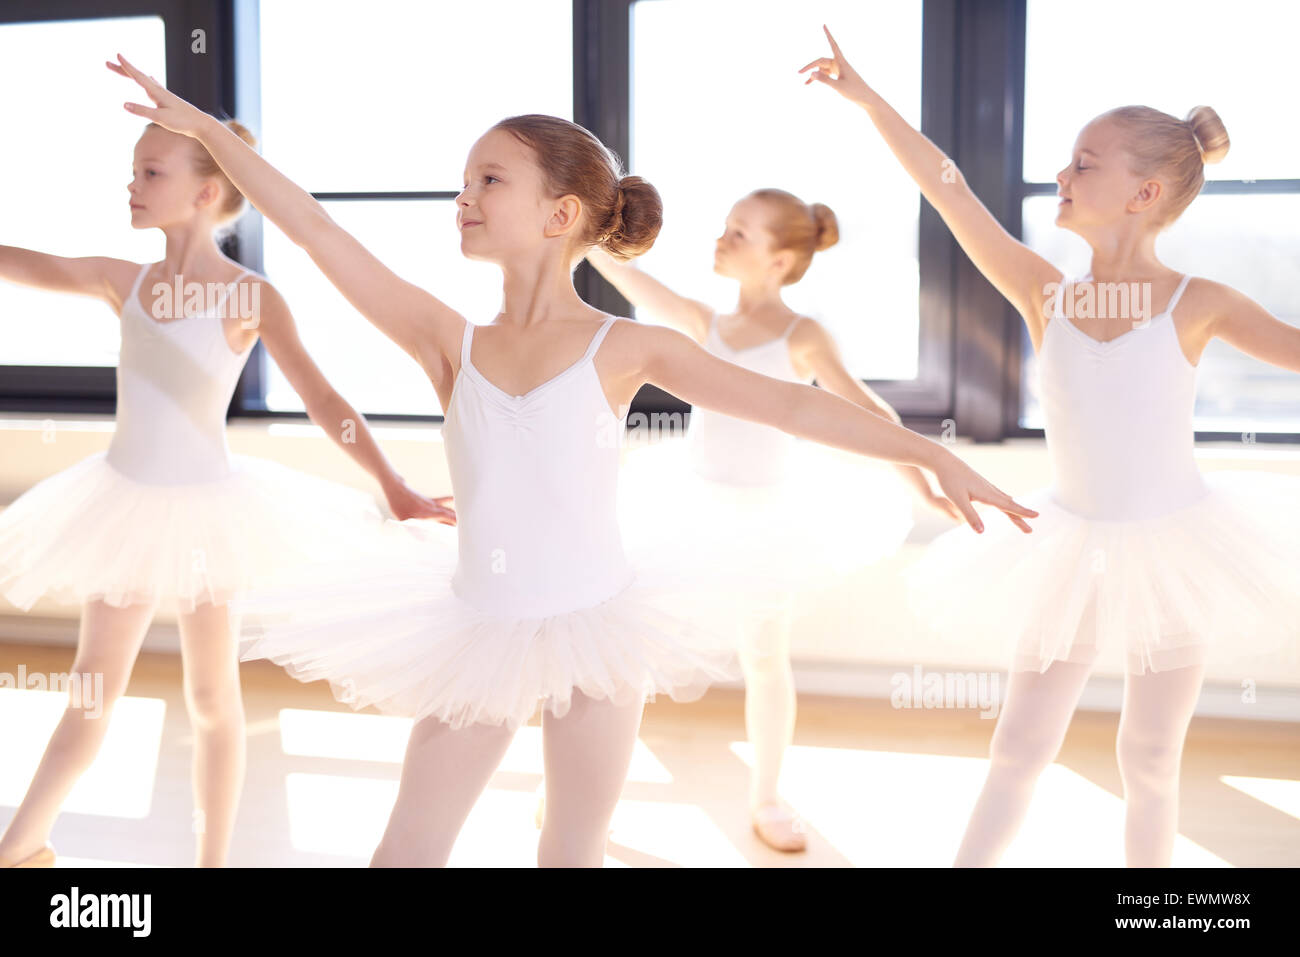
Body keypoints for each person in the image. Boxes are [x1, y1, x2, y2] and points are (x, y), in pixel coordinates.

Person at [107, 52, 1038, 867]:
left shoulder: (623, 347)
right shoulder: (446, 341)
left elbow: (790, 403)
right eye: (463, 180)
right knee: (403, 852)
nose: (463, 197)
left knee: (571, 849)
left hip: (599, 625)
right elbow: (316, 229)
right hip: (479, 621)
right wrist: (204, 130)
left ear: (559, 213)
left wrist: (926, 451)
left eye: (489, 180)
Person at [799, 24, 1300, 866]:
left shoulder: (1200, 301)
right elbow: (950, 192)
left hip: (1176, 546)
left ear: (1144, 193)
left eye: (1084, 164)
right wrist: (867, 99)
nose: (1062, 176)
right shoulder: (1045, 294)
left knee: (1150, 756)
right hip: (1067, 545)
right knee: (1019, 745)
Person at [0, 116, 451, 868]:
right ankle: (22, 845)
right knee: (91, 689)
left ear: (207, 192)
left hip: (210, 514)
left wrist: (393, 483)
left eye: (151, 172)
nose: (132, 185)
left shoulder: (250, 298)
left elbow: (324, 400)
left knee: (212, 698)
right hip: (121, 504)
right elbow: (26, 263)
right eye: (134, 171)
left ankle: (211, 861)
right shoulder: (123, 280)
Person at [559, 195, 950, 852]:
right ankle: (582, 793)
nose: (721, 238)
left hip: (768, 517)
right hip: (689, 503)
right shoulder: (701, 322)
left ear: (780, 259)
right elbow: (630, 279)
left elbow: (864, 409)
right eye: (725, 227)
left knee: (765, 658)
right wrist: (580, 229)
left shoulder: (802, 335)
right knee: (627, 645)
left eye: (738, 232)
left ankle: (766, 798)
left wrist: (921, 478)